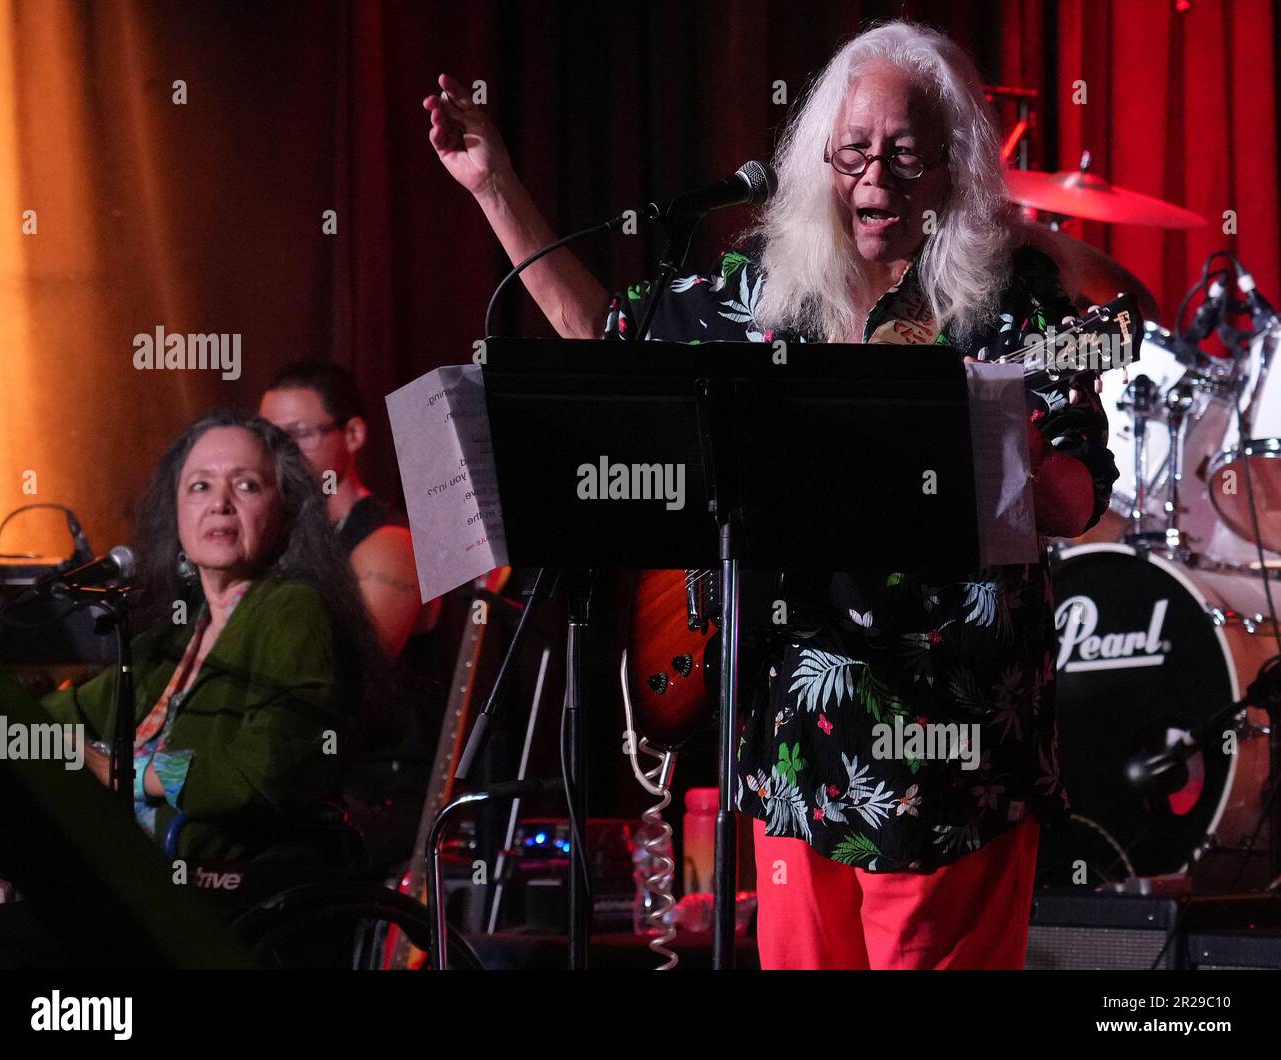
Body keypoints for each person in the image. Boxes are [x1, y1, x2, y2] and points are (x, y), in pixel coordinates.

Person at [429, 20, 1119, 969]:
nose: (875, 180)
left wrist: (1020, 459)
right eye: (853, 152)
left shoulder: (1018, 298)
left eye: (907, 156)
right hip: (790, 740)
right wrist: (494, 187)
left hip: (950, 751)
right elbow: (602, 337)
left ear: (956, 164)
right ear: (816, 159)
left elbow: (1077, 499)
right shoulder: (763, 290)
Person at [39, 410, 380, 866]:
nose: (220, 503)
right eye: (200, 486)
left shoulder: (294, 609)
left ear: (284, 508)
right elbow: (59, 715)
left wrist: (133, 775)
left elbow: (266, 768)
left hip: (215, 881)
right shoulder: (180, 625)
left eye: (246, 486)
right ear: (177, 512)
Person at [259, 361, 443, 872]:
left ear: (354, 433)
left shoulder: (389, 544)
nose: (281, 454)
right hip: (307, 776)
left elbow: (342, 682)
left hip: (376, 788)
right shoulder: (275, 544)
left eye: (298, 434)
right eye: (269, 437)